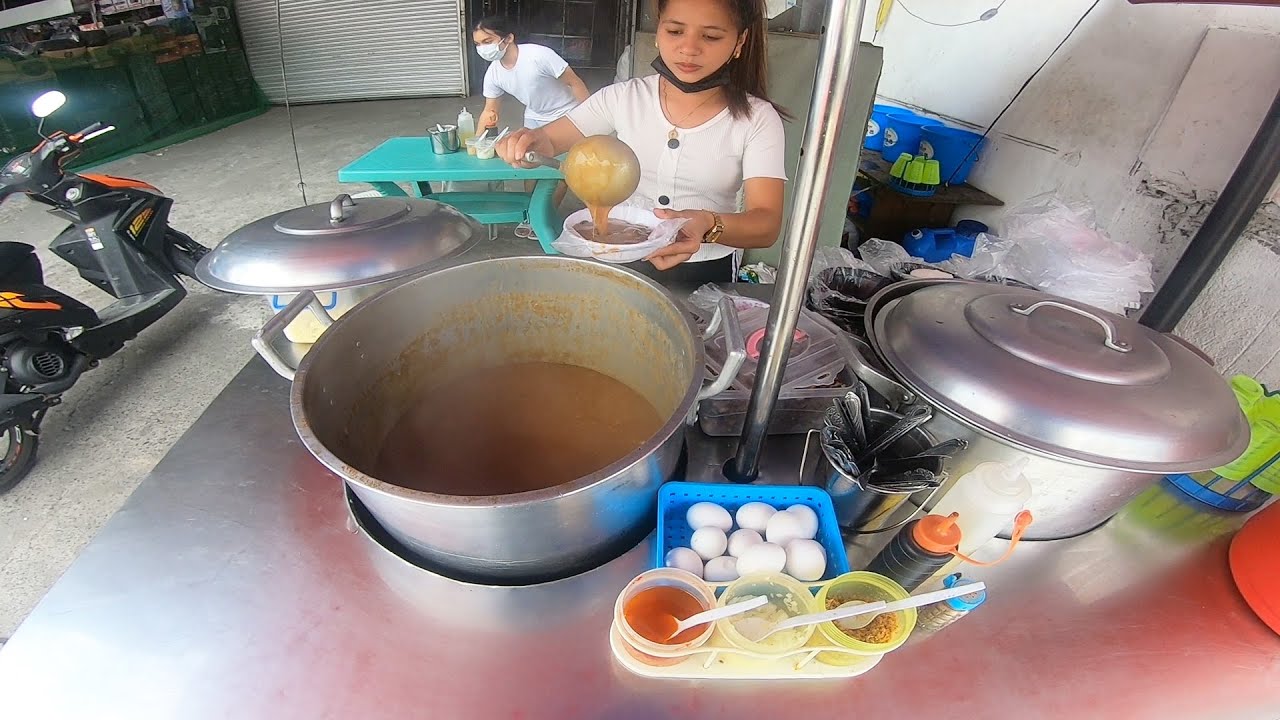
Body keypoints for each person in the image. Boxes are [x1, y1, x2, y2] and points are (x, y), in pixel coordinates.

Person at [498, 0, 787, 283]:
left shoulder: (758, 119)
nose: (688, 49)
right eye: (675, 31)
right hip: (620, 258)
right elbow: (548, 141)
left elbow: (766, 224)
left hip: (706, 270)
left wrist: (709, 223)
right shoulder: (623, 98)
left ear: (740, 41)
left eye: (711, 36)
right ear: (659, 30)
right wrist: (526, 142)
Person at [474, 16, 589, 236]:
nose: (483, 49)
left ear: (508, 38)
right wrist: (475, 142)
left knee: (560, 170)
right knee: (527, 164)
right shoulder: (494, 73)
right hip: (534, 117)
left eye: (487, 41)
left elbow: (574, 82)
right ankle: (530, 214)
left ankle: (545, 214)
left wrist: (590, 118)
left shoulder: (538, 56)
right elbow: (490, 111)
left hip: (566, 114)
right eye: (478, 44)